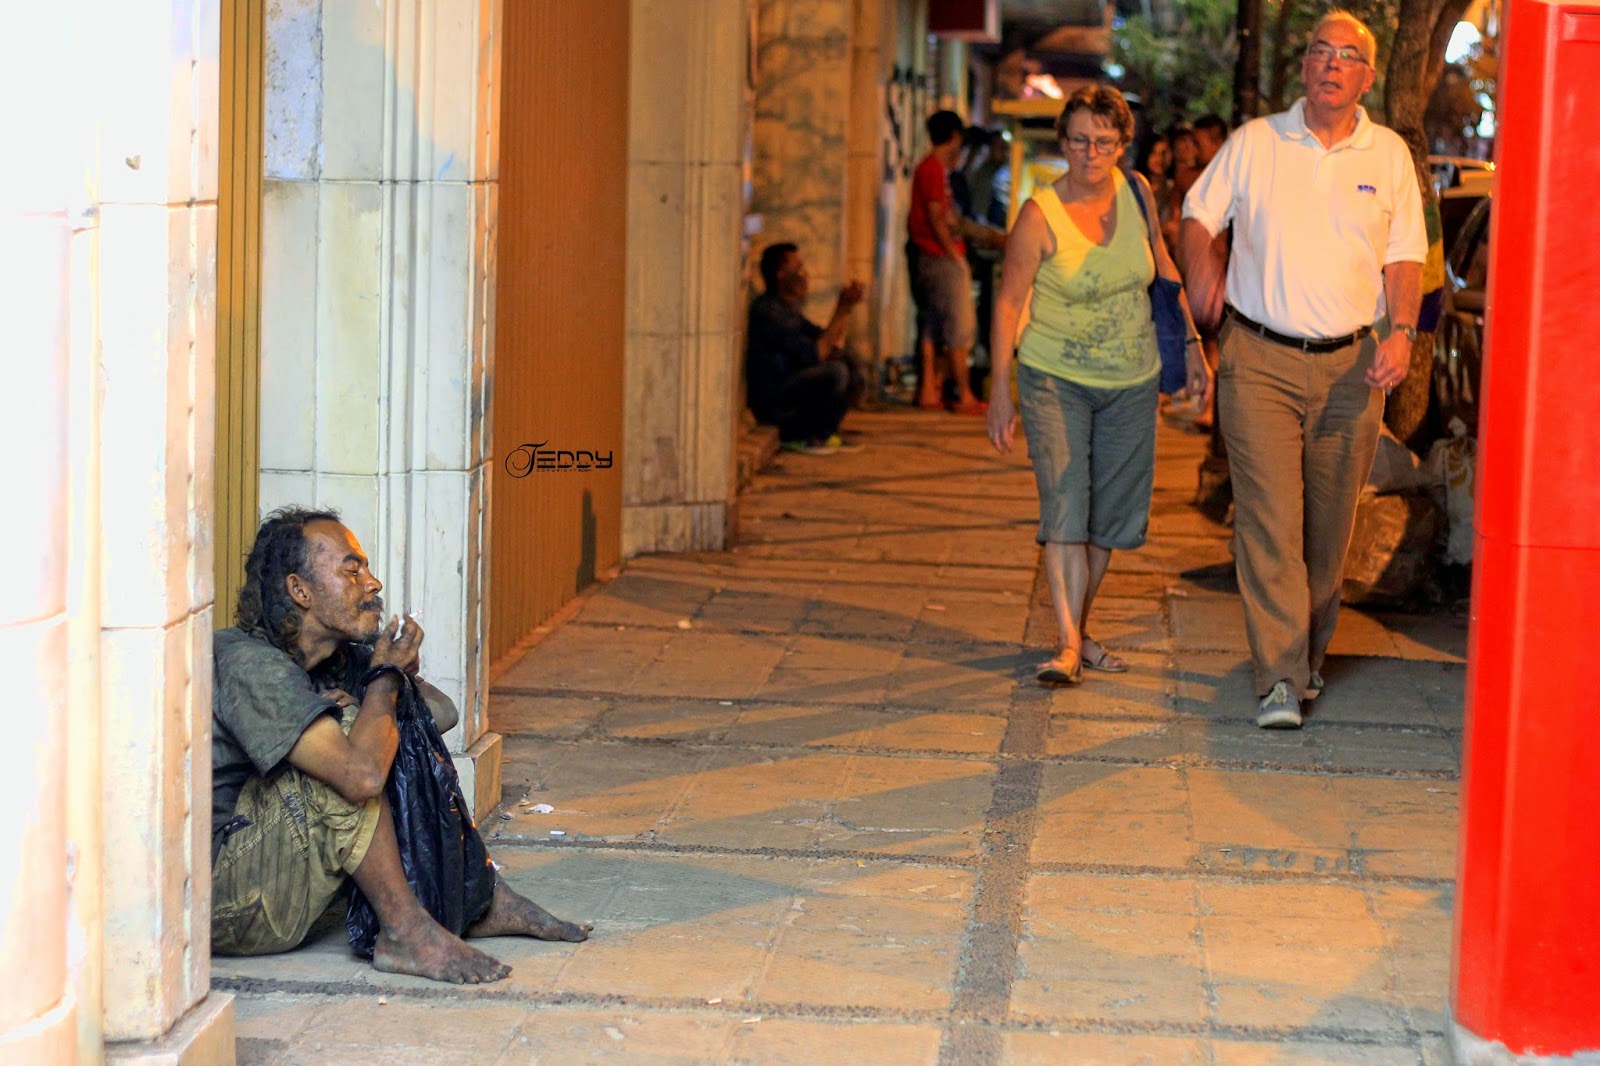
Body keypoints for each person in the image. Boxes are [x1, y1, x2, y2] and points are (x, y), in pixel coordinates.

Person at [211, 508, 592, 983]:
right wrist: (382, 684)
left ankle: (481, 898)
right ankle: (406, 933)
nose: (373, 583)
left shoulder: (331, 658)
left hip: (271, 873)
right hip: (225, 899)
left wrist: (393, 677)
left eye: (367, 569)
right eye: (352, 571)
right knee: (357, 738)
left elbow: (442, 714)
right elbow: (361, 777)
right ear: (299, 591)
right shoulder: (250, 664)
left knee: (384, 716)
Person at [1179, 11, 1426, 729]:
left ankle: (1308, 654)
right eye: (1321, 50)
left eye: (1347, 55)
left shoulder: (1387, 157)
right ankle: (1279, 676)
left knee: (1328, 532)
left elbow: (1405, 256)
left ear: (1366, 77)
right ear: (1306, 65)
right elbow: (1199, 215)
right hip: (1259, 360)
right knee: (1269, 522)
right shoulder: (1257, 143)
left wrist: (1403, 330)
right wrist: (1205, 267)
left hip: (1353, 367)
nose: (1331, 63)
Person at [987, 85, 1210, 685]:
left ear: (1122, 144)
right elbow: (1008, 303)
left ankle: (1077, 634)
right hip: (1053, 376)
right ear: (1063, 142)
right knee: (1066, 502)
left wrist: (1191, 345)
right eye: (1080, 140)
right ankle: (1066, 643)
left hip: (1131, 380)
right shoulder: (1040, 214)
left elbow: (1163, 270)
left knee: (1109, 518)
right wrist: (999, 390)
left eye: (1104, 142)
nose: (1091, 153)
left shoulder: (1136, 192)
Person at [746, 242, 867, 455]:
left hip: (793, 389)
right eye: (799, 269)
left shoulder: (790, 309)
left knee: (849, 361)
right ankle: (801, 436)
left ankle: (826, 433)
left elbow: (825, 339)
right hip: (776, 403)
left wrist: (846, 310)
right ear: (781, 274)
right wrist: (842, 308)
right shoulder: (768, 311)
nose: (805, 275)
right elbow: (815, 354)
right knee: (835, 372)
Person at [909, 109, 985, 414]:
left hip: (927, 254)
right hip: (939, 255)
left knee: (933, 326)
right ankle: (964, 394)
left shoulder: (931, 169)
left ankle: (929, 390)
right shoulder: (933, 169)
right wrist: (954, 255)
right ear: (955, 136)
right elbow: (935, 215)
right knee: (959, 327)